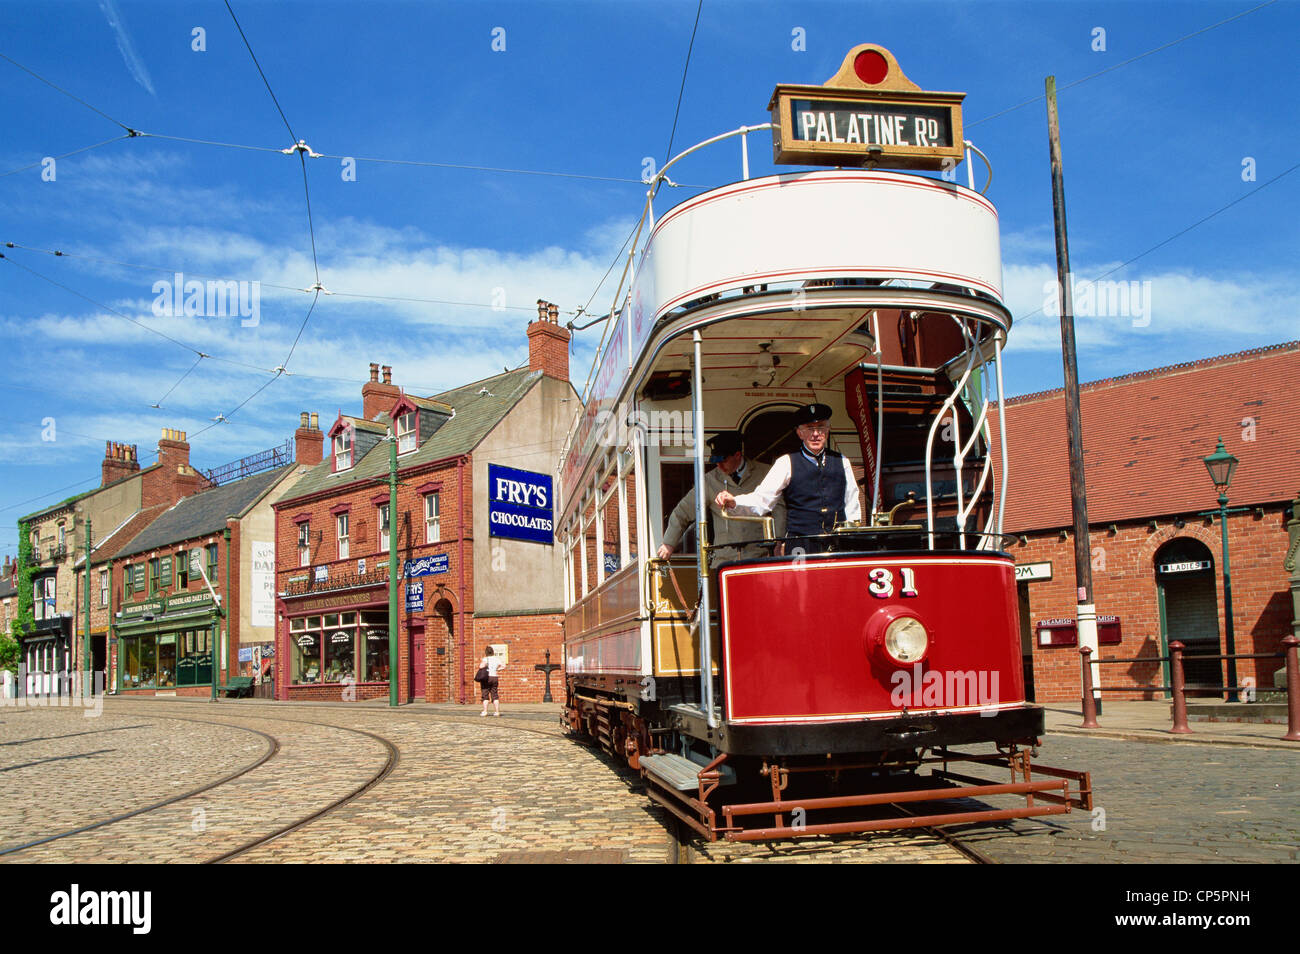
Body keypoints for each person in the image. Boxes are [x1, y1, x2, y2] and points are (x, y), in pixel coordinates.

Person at [715, 403, 859, 551]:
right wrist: (734, 502)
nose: (816, 434)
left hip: (838, 544)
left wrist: (851, 537)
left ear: (827, 431)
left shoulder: (842, 461)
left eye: (821, 427)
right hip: (801, 545)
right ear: (800, 433)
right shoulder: (786, 462)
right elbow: (762, 499)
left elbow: (852, 505)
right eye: (810, 428)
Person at [657, 431, 784, 567]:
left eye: (723, 461)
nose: (719, 466)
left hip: (760, 557)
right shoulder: (708, 481)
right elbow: (682, 511)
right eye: (716, 462)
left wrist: (779, 542)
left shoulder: (765, 473)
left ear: (737, 455)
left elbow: (779, 510)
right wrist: (668, 543)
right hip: (724, 560)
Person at [479, 645, 505, 716]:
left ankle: (485, 711)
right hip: (495, 677)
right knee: (495, 694)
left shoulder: (485, 659)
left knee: (485, 694)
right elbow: (503, 666)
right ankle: (497, 711)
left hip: (487, 678)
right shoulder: (497, 659)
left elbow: (480, 666)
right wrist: (497, 669)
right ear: (493, 652)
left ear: (486, 652)